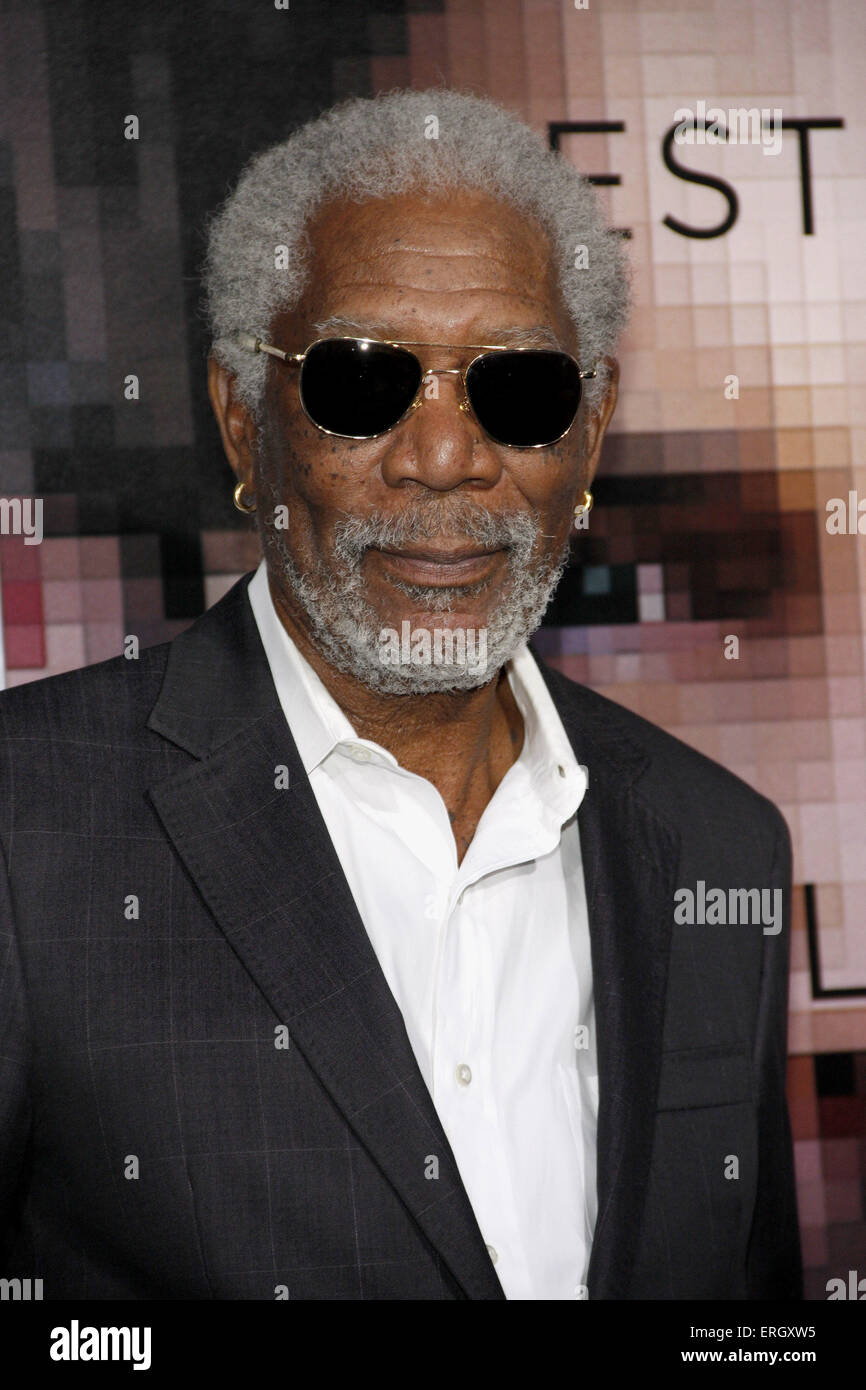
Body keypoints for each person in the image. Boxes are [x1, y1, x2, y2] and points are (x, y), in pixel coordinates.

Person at [0, 89, 801, 1300]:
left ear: (588, 434)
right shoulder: (28, 824)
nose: (446, 456)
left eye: (518, 388)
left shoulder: (716, 839)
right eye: (361, 381)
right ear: (240, 417)